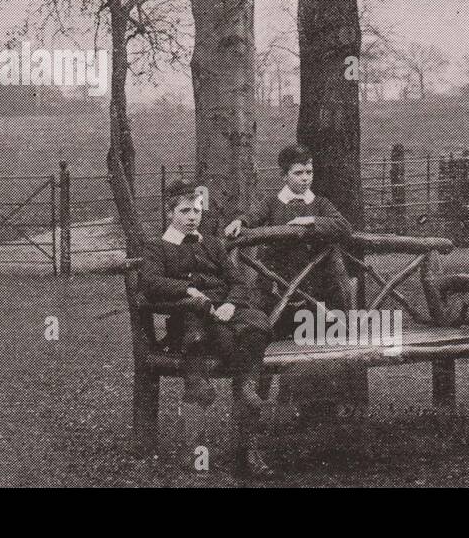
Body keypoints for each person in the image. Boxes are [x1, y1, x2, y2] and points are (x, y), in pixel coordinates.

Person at [140, 182, 274, 414]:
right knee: (213, 334)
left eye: (197, 211)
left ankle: (244, 386)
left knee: (258, 323)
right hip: (190, 313)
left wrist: (231, 305)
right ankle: (196, 382)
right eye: (185, 211)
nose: (192, 217)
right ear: (170, 213)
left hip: (224, 310)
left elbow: (237, 282)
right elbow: (150, 282)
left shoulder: (212, 244)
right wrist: (187, 290)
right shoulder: (157, 247)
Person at [224, 143, 354, 314]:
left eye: (309, 172)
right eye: (298, 173)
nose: (305, 178)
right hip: (277, 280)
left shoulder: (320, 203)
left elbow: (344, 226)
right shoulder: (271, 203)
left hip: (313, 283)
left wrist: (312, 220)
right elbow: (253, 216)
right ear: (284, 176)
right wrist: (240, 221)